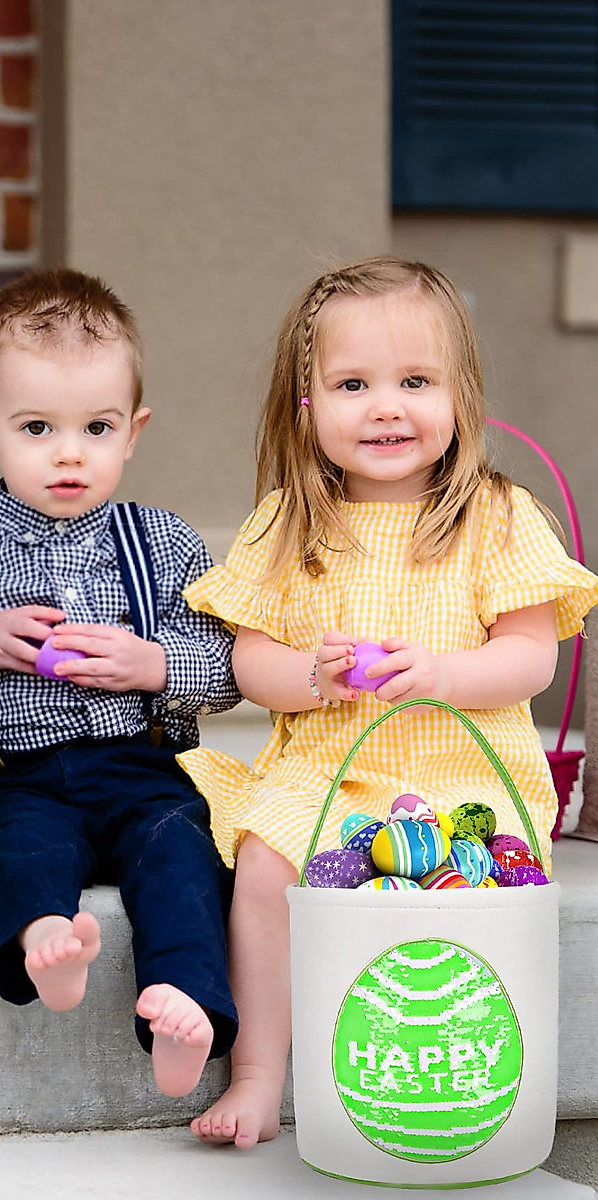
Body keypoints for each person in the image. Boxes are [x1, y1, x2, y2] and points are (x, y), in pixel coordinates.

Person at [175, 255, 598, 1148]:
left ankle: (453, 1072)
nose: (385, 407)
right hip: (331, 770)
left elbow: (530, 658)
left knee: (464, 887)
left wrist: (443, 675)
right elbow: (250, 662)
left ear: (460, 396)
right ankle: (258, 1072)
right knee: (264, 869)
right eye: (352, 384)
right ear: (307, 406)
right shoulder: (288, 523)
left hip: (463, 775)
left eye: (415, 381)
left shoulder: (496, 515)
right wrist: (310, 676)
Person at [0, 267, 241, 1097]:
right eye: (36, 428)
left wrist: (153, 663)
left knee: (183, 853)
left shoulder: (162, 542)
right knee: (14, 849)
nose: (69, 452)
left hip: (141, 767)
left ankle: (182, 1003)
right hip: (13, 774)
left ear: (133, 432)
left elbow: (228, 668)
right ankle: (45, 942)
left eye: (97, 427)